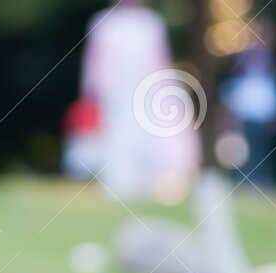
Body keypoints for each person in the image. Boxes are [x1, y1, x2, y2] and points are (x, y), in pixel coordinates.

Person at [78, 0, 199, 202]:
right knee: (116, 136)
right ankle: (119, 184)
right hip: (114, 94)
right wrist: (93, 96)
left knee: (145, 136)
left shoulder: (152, 23)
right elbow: (94, 64)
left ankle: (145, 184)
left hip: (145, 91)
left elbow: (161, 61)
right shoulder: (104, 23)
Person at [221, 21, 276, 188]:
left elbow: (271, 87)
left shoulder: (270, 60)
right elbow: (237, 85)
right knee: (247, 148)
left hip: (264, 112)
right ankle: (246, 180)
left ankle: (263, 180)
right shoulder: (245, 58)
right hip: (247, 110)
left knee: (264, 148)